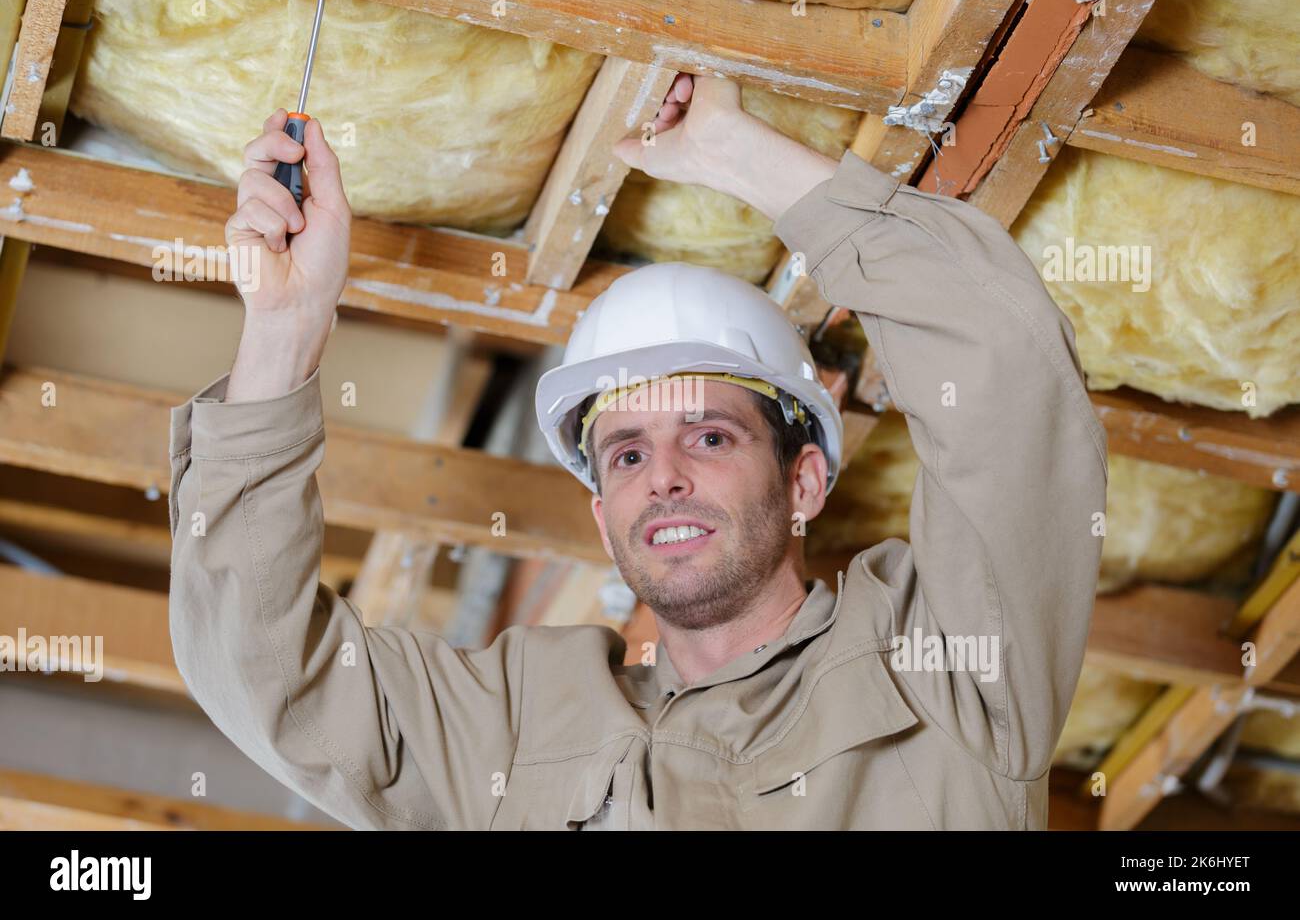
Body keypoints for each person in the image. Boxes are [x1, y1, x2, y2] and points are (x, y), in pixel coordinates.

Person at [169, 74, 1108, 829]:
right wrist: (285, 330)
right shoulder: (517, 732)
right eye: (623, 455)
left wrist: (744, 158)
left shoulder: (942, 668)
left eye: (709, 435)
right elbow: (265, 673)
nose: (662, 477)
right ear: (600, 513)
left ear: (806, 480)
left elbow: (1008, 378)